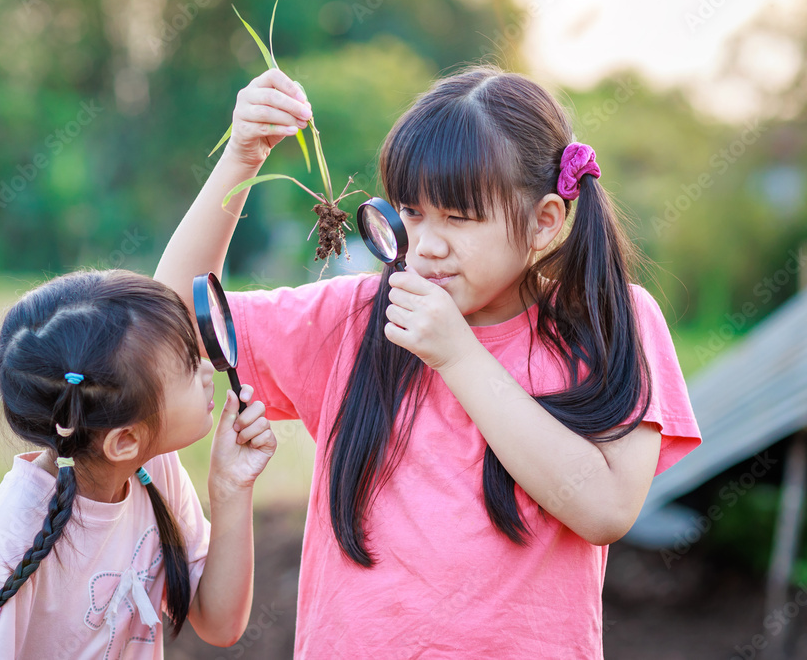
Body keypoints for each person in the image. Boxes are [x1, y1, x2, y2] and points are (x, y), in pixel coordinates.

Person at [155, 65, 702, 658]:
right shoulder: (360, 317)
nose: (427, 246)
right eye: (411, 213)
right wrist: (241, 156)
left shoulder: (608, 322)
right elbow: (174, 321)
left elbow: (605, 508)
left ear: (544, 221)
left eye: (460, 219)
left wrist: (457, 355)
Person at [0, 269, 277, 659]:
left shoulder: (153, 470)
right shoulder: (7, 550)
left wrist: (231, 488)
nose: (207, 371)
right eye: (187, 367)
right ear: (125, 440)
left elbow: (221, 624)